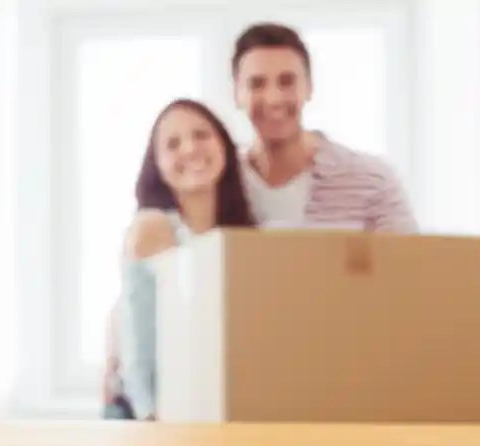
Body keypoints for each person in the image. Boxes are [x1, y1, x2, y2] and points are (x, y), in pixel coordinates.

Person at [103, 22, 421, 418]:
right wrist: (120, 363)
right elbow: (153, 280)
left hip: (346, 392)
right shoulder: (217, 178)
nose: (273, 97)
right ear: (236, 93)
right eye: (256, 84)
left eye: (287, 81)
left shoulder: (371, 180)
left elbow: (411, 291)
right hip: (248, 402)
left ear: (309, 87)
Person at [103, 99, 257, 421]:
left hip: (211, 415)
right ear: (157, 164)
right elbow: (138, 353)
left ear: (224, 147)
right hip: (150, 416)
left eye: (202, 135)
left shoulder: (242, 237)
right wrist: (152, 420)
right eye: (172, 144)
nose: (190, 148)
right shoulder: (152, 229)